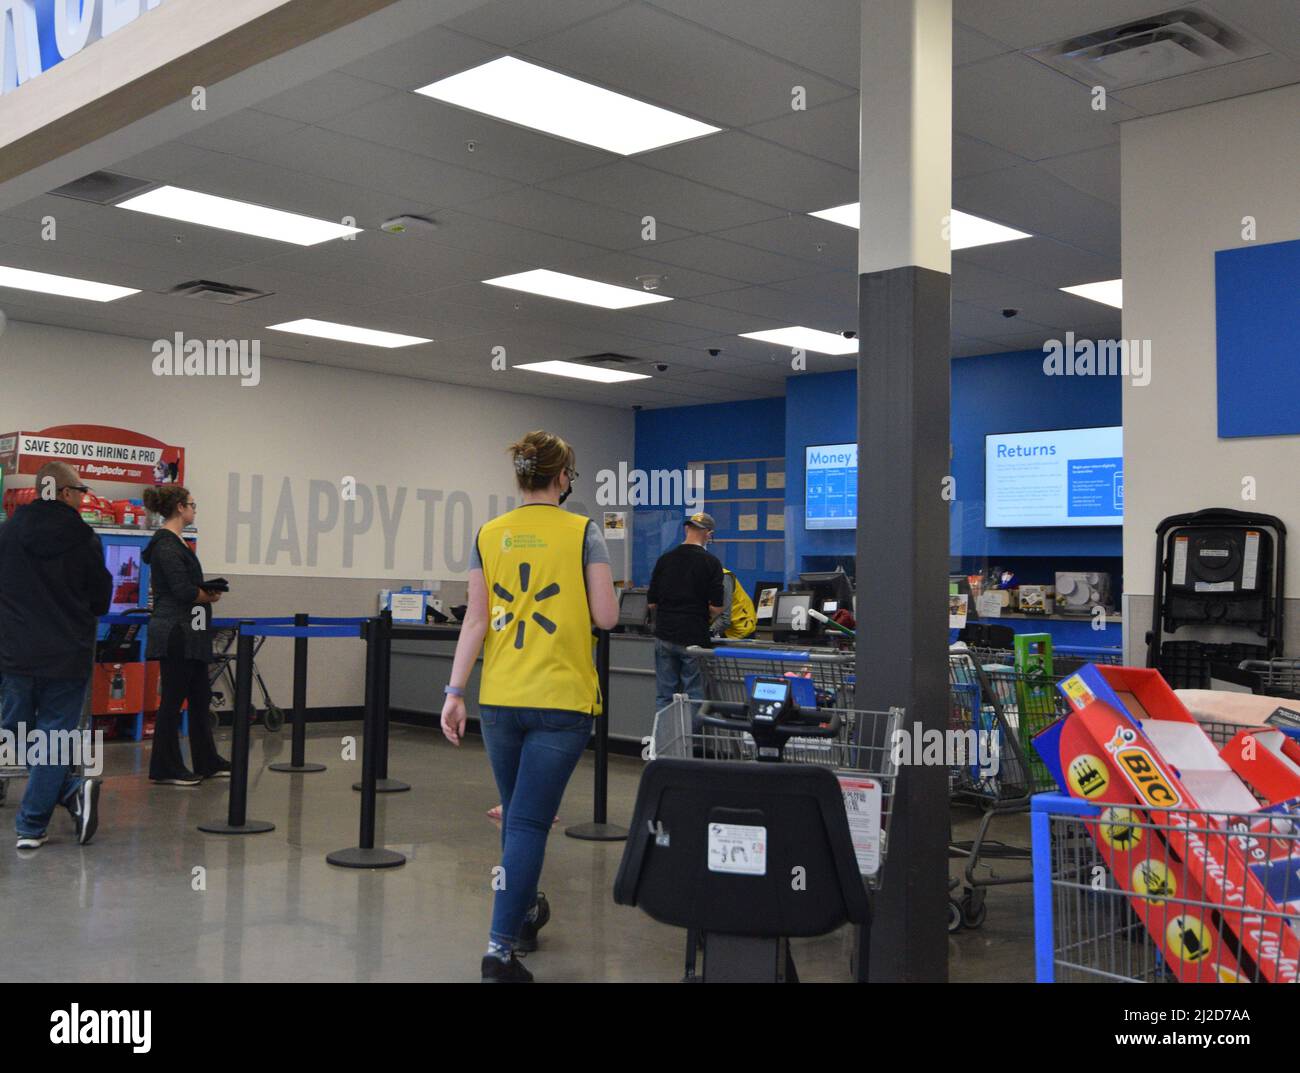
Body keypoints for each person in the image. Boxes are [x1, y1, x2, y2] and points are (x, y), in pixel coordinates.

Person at [440, 430, 618, 983]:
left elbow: (474, 617)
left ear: (520, 475)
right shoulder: (584, 531)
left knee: (517, 818)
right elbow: (608, 616)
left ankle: (524, 915)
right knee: (527, 824)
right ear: (563, 477)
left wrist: (453, 691)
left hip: (499, 701)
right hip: (561, 701)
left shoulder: (490, 534)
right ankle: (499, 950)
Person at [0, 461, 111, 850]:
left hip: (15, 654)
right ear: (64, 493)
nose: (83, 498)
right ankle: (46, 811)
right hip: (67, 655)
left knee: (15, 732)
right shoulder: (85, 538)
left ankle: (66, 795)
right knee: (54, 738)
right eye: (81, 491)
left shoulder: (7, 533)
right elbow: (100, 598)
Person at [141, 484, 229, 784]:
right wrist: (208, 595)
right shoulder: (166, 545)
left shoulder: (177, 542)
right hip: (177, 631)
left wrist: (204, 593)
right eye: (192, 504)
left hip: (192, 632)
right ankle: (165, 767)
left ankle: (207, 760)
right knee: (173, 699)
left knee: (200, 696)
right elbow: (181, 590)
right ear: (180, 507)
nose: (194, 510)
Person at [647, 512, 724, 713]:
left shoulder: (664, 560)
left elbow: (652, 603)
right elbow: (717, 607)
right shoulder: (711, 563)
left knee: (664, 696)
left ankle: (666, 743)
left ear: (686, 529)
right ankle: (688, 743)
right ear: (709, 534)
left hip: (664, 635)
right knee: (694, 696)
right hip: (694, 637)